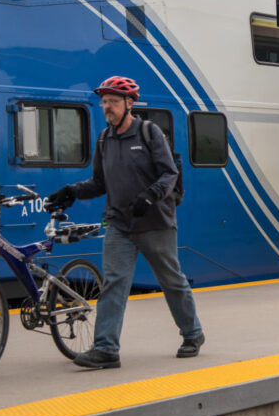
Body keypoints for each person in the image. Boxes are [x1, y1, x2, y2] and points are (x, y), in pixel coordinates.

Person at [46, 75, 204, 369]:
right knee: (114, 284)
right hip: (119, 223)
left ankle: (192, 334)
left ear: (129, 103)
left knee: (171, 281)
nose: (107, 107)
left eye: (113, 102)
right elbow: (99, 183)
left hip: (155, 222)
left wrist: (149, 197)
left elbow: (169, 174)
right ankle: (106, 348)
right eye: (104, 102)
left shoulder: (148, 132)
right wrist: (71, 192)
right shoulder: (104, 139)